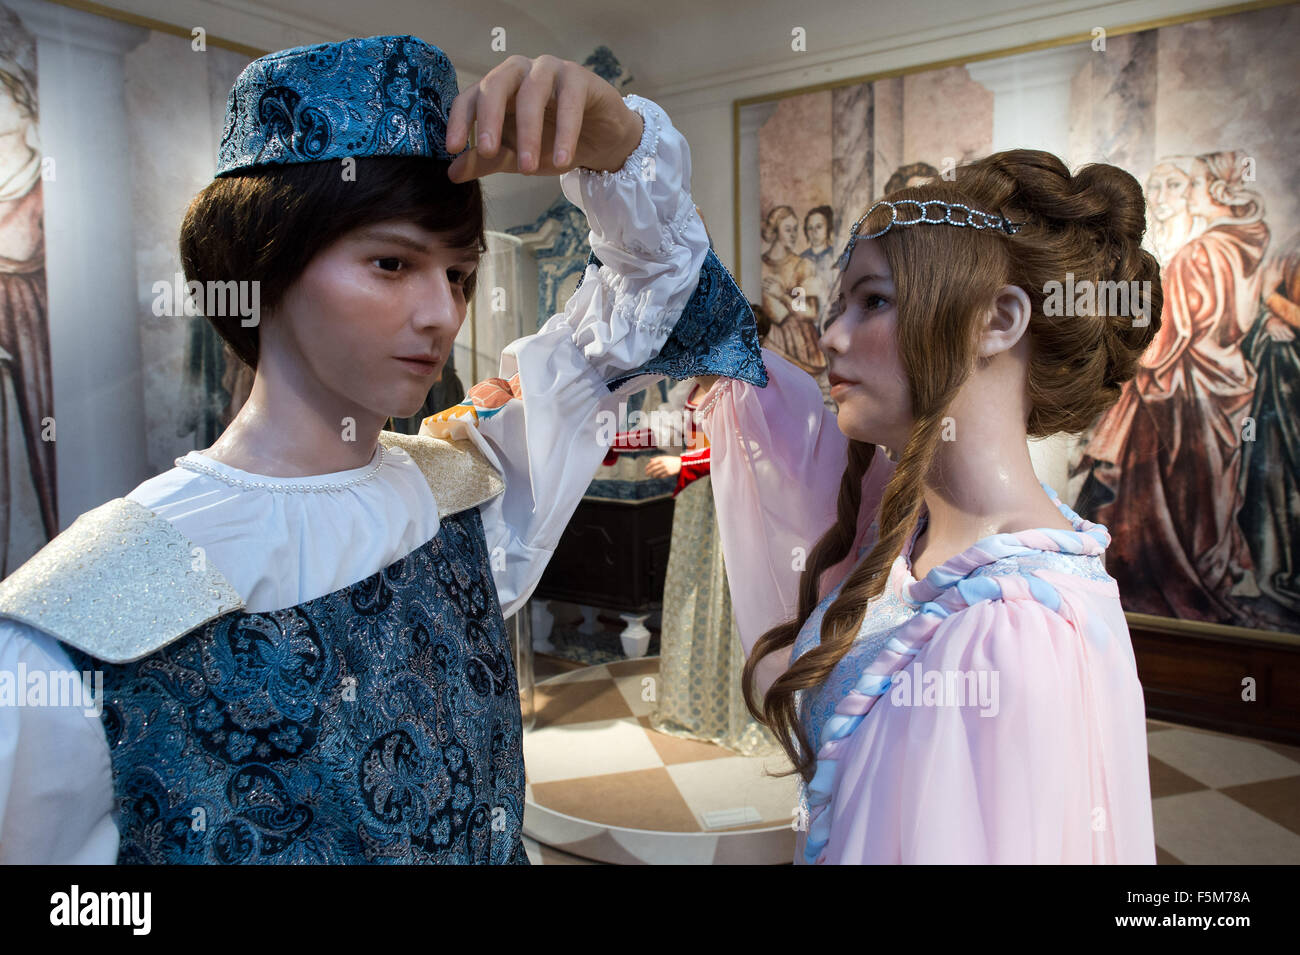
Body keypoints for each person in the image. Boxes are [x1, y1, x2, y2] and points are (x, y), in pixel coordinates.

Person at [0, 35, 764, 864]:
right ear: (261, 268)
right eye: (393, 262)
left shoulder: (462, 491)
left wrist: (620, 146)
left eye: (459, 275)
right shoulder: (74, 626)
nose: (442, 313)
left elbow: (639, 311)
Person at [698, 150, 1163, 863]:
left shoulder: (1012, 635)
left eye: (873, 301)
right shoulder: (910, 532)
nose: (829, 336)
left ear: (997, 320)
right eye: (838, 304)